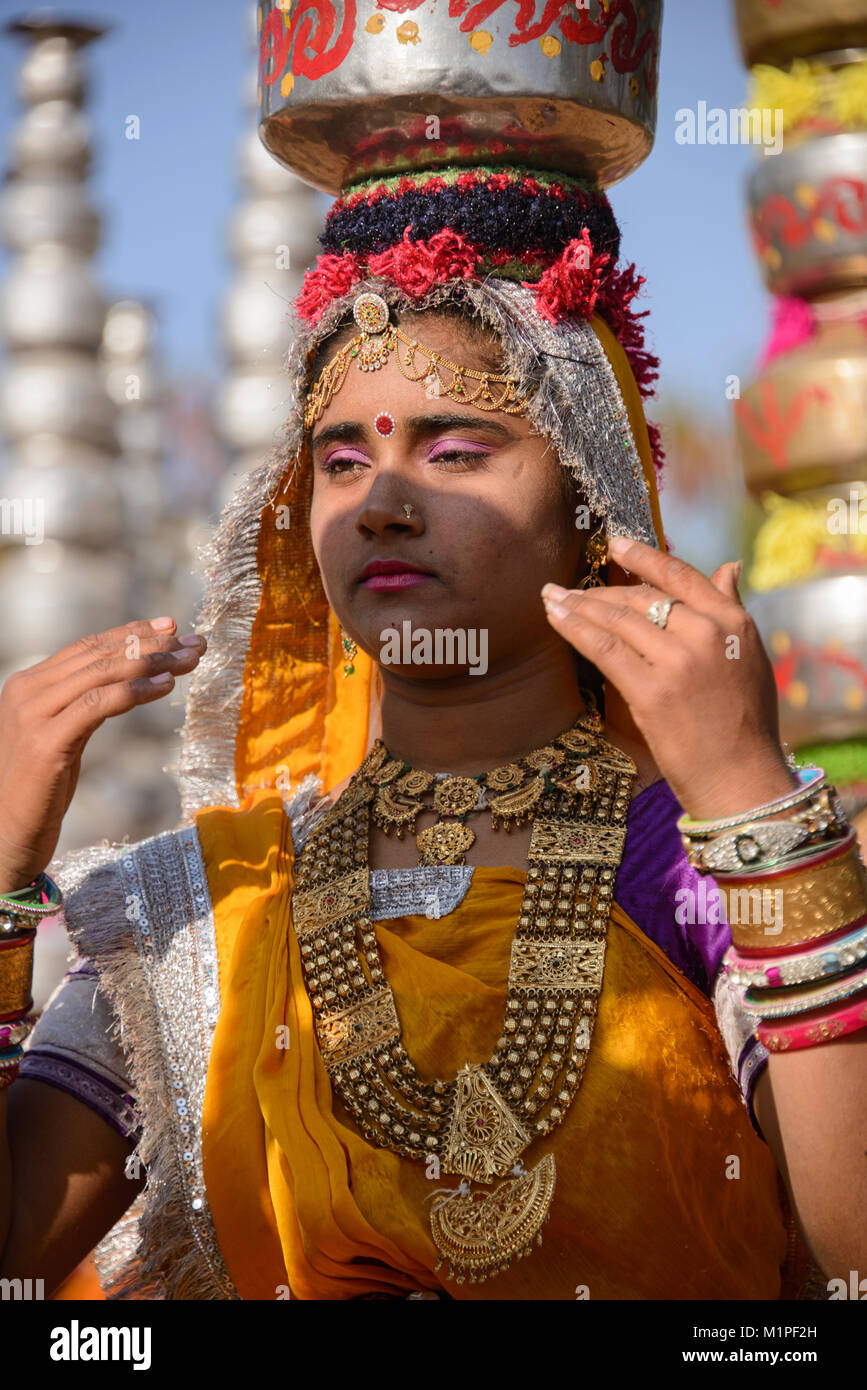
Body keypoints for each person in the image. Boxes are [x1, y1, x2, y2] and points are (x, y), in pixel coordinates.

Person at [0, 164, 864, 1300]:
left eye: (457, 452)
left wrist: (754, 807)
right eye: (342, 461)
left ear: (589, 509)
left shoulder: (699, 862)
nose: (381, 504)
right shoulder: (205, 908)